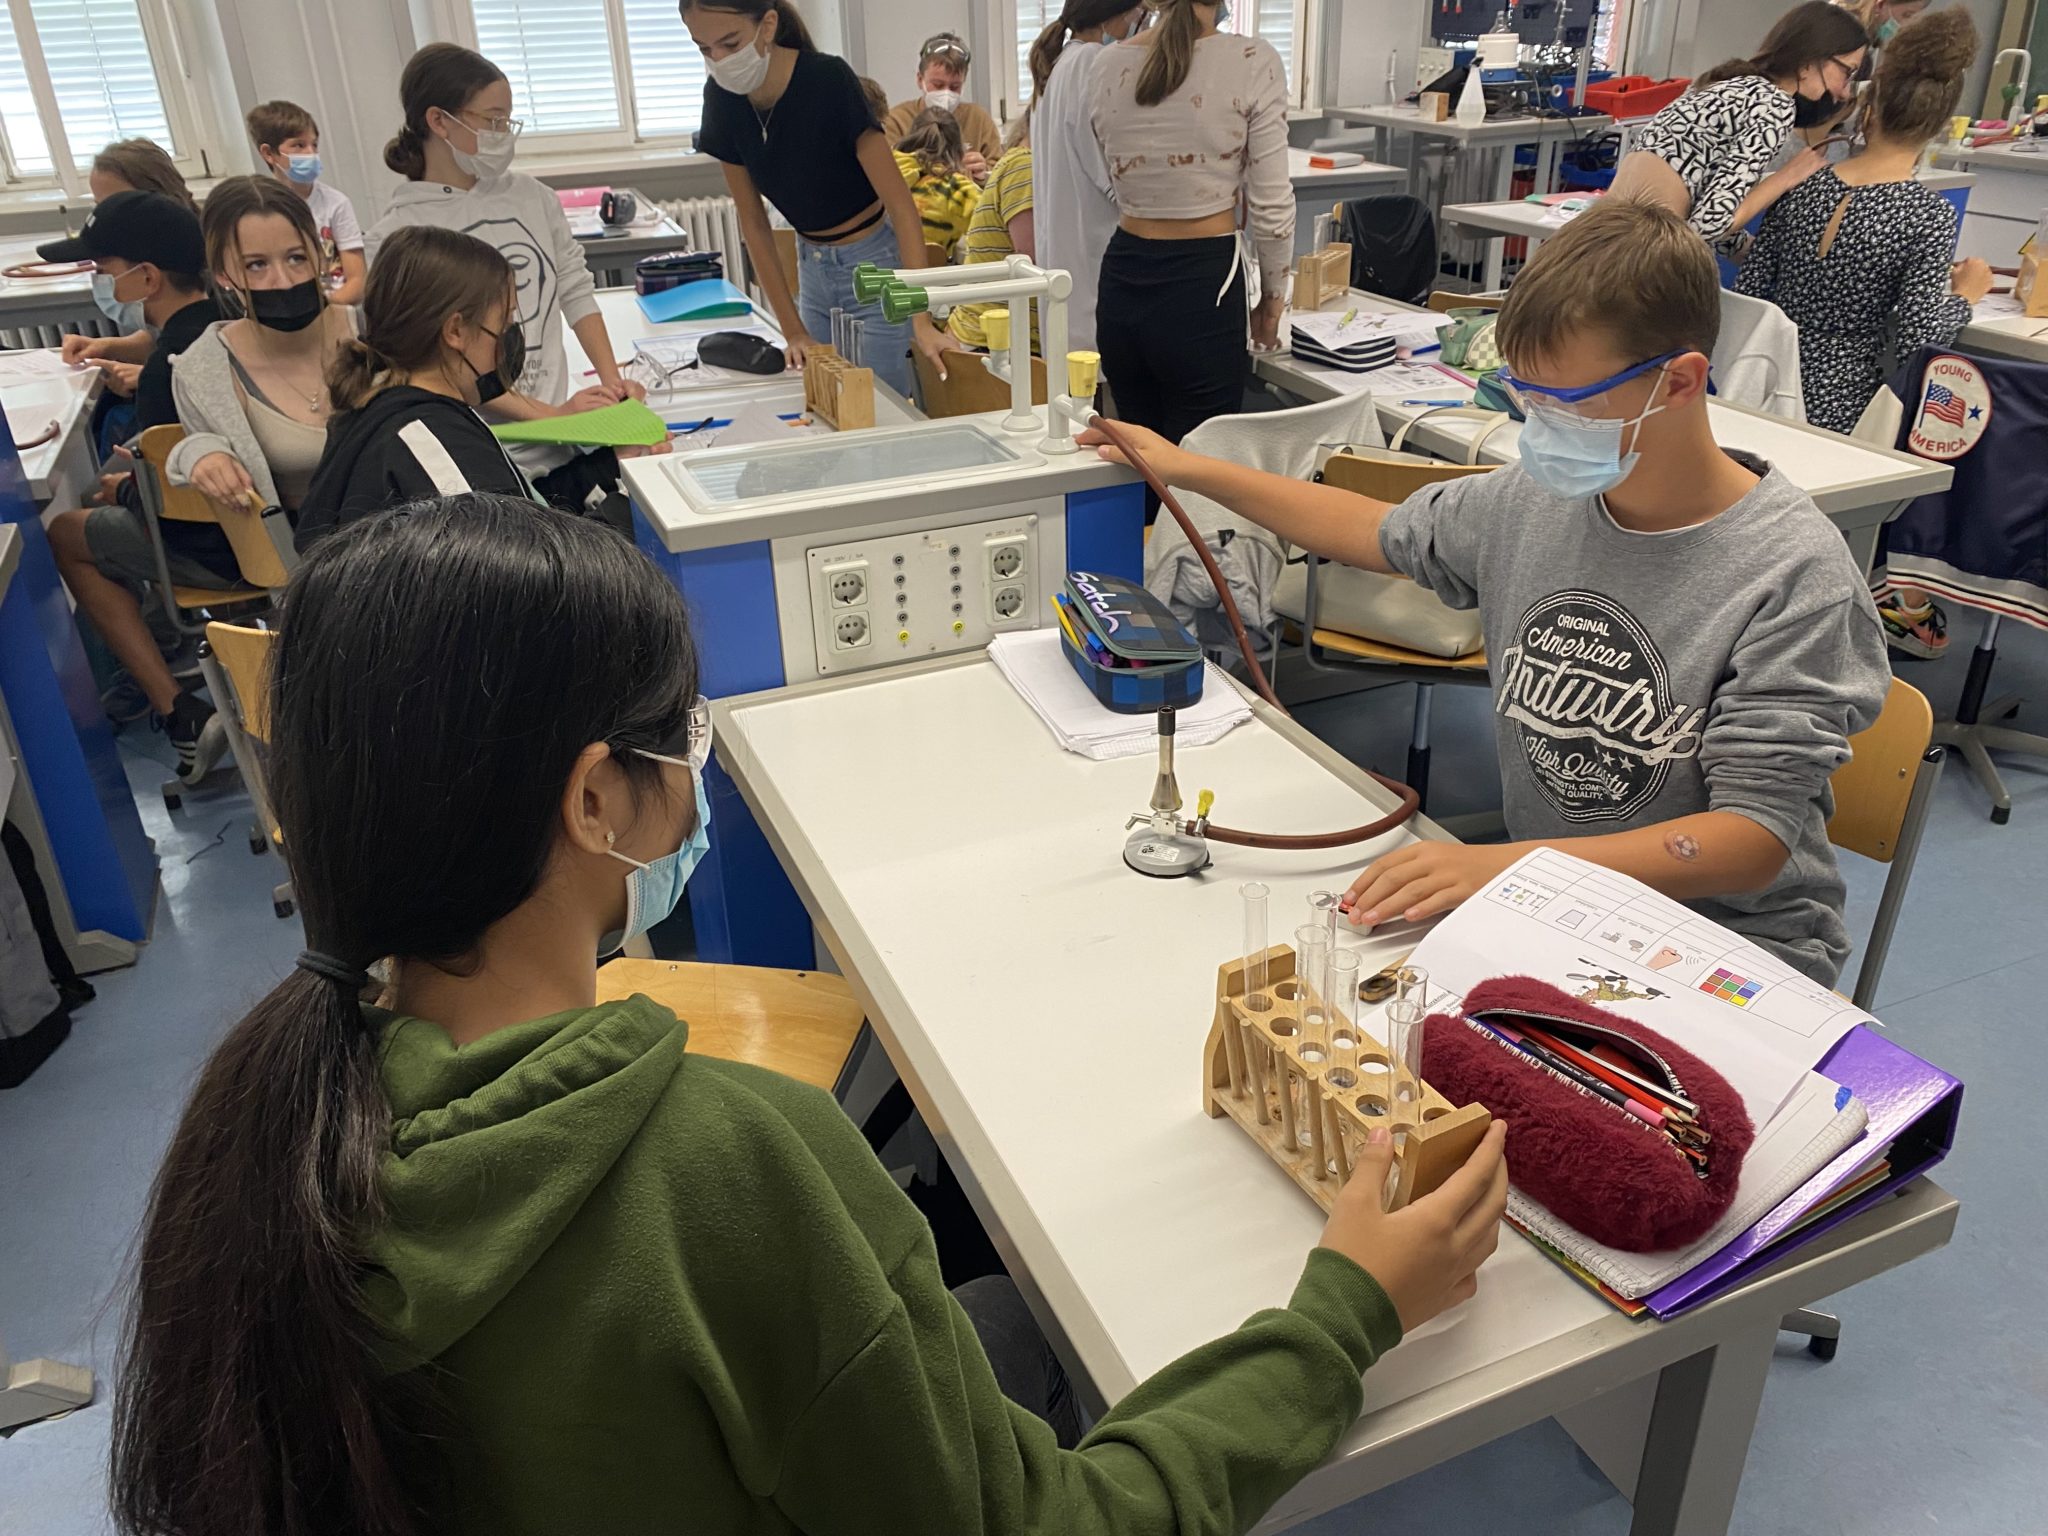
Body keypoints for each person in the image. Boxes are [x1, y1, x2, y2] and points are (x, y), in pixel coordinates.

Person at [109, 491, 1509, 1536]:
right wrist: (1345, 1314)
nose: (693, 771)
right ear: (599, 801)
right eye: (684, 736)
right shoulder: (733, 1167)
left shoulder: (270, 1133)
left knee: (1001, 1324)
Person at [1082, 200, 1893, 985]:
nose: (1538, 425)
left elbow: (1749, 840)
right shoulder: (1535, 502)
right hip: (1559, 906)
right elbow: (1376, 529)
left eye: (1565, 403)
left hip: (1726, 948)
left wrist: (1499, 869)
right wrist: (1189, 466)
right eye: (1522, 395)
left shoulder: (1793, 576)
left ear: (1680, 382)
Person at [1741, 9, 1988, 659]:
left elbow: (1754, 291)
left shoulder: (1804, 186)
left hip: (1768, 385)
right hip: (1844, 404)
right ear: (1936, 127)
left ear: (1869, 110)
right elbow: (1916, 342)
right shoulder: (1924, 216)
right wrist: (1963, 298)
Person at [369, 44, 649, 514]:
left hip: (559, 441)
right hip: (482, 453)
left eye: (508, 122)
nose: (504, 135)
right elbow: (431, 368)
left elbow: (575, 289)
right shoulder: (399, 236)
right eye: (492, 121)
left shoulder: (533, 198)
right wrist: (552, 416)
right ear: (439, 122)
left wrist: (613, 389)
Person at [38, 192, 229, 780]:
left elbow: (171, 507)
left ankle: (176, 709)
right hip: (278, 532)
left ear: (145, 278)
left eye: (103, 268)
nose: (100, 278)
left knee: (66, 531)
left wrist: (125, 487)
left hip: (215, 552)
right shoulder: (227, 324)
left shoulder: (163, 379)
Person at [683, 0, 961, 399]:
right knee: (825, 403)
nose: (720, 60)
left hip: (876, 265)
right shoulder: (723, 100)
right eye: (704, 48)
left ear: (767, 26)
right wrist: (791, 329)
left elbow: (901, 207)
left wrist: (920, 321)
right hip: (813, 266)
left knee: (882, 407)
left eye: (730, 43)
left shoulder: (828, 81)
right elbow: (753, 222)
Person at [1089, 0, 1292, 486]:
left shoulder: (1105, 64)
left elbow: (1115, 175)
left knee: (1137, 470)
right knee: (1199, 479)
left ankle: (1136, 563)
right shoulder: (1251, 60)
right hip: (1202, 286)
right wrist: (1272, 298)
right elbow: (1271, 206)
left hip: (1123, 278)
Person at [297, 227, 536, 547]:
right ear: (456, 331)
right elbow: (517, 570)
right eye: (503, 324)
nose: (508, 337)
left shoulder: (371, 409)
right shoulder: (428, 441)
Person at [163, 176, 357, 530]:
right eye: (257, 265)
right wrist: (199, 452)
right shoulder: (204, 371)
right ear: (223, 274)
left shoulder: (376, 333)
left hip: (423, 541)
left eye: (297, 258)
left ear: (319, 253)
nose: (283, 281)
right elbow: (202, 444)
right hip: (313, 562)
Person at [1610, 1, 1871, 249]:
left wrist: (1751, 256)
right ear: (1807, 64)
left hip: (1607, 240)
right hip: (1641, 256)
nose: (1846, 93)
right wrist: (1787, 176)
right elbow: (1708, 225)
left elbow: (1702, 204)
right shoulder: (1775, 105)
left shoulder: (1726, 86)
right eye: (1847, 73)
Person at [1032, 0, 1149, 355]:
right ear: (1118, 15)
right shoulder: (1093, 64)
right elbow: (1116, 177)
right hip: (1095, 272)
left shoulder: (1064, 65)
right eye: (1140, 15)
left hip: (1070, 273)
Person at [60, 140, 200, 403]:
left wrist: (151, 378)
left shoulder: (205, 270)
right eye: (97, 204)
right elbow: (165, 337)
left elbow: (206, 360)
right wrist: (109, 347)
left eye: (112, 203)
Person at [246, 99, 367, 304]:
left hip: (337, 309)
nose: (310, 153)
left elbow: (358, 280)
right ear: (268, 153)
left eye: (314, 145)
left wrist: (325, 311)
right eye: (299, 145)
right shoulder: (260, 210)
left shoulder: (336, 204)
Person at [949, 113, 1037, 350]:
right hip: (995, 342)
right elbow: (1032, 261)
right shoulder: (1025, 167)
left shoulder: (1017, 163)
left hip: (993, 335)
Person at [880, 30, 1003, 181]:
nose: (946, 93)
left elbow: (1000, 172)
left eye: (954, 87)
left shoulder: (978, 119)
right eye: (938, 85)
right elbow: (885, 176)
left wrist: (984, 172)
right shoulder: (897, 120)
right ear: (920, 79)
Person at [892, 107, 981, 261]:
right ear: (959, 149)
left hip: (880, 276)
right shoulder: (956, 188)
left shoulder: (885, 172)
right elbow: (990, 230)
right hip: (932, 279)